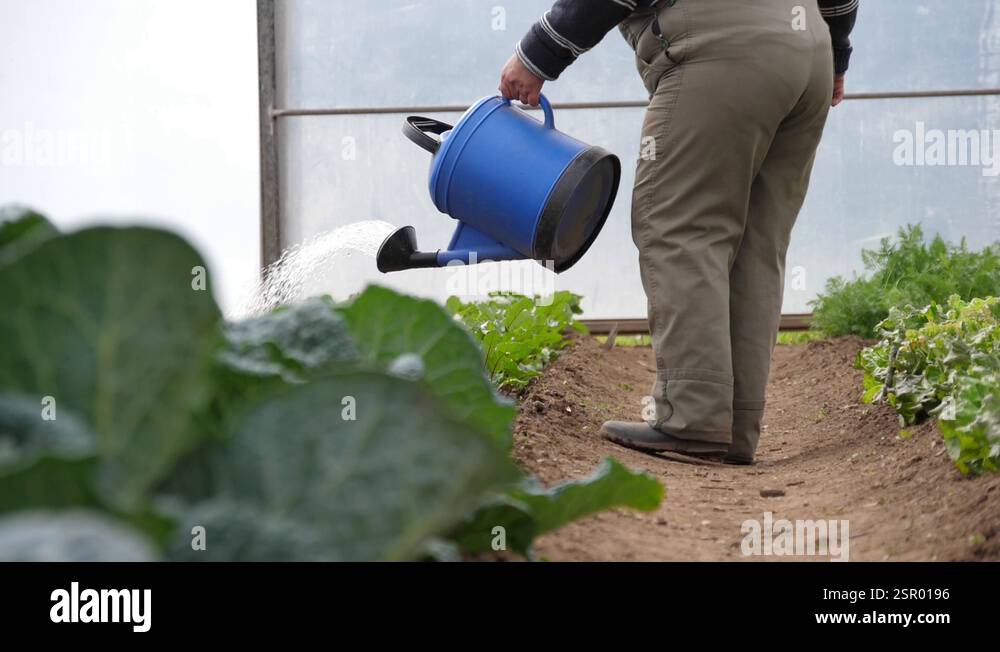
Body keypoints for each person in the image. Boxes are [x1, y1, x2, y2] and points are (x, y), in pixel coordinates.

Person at [499, 0, 859, 464]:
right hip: (806, 53)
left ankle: (691, 418)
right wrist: (836, 53)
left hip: (724, 52)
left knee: (678, 225)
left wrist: (536, 56)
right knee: (757, 242)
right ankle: (733, 426)